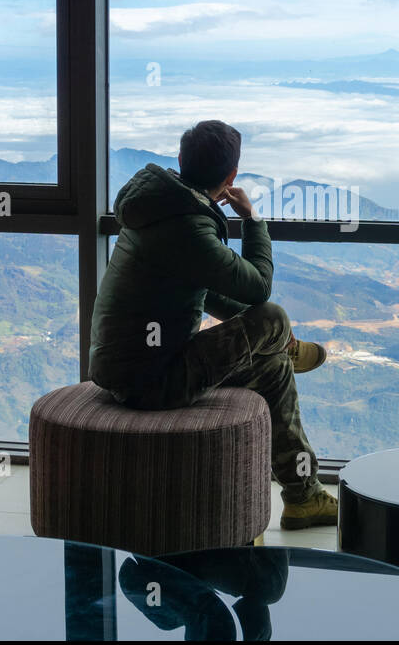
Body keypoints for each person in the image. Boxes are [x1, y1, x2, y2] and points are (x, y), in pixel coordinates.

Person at [88, 119, 338, 529]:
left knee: (272, 369)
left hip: (130, 367)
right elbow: (258, 288)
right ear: (231, 177)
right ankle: (287, 349)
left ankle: (303, 496)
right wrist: (253, 220)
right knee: (273, 317)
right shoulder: (188, 227)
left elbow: (206, 291)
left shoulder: (156, 210)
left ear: (182, 159)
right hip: (150, 381)